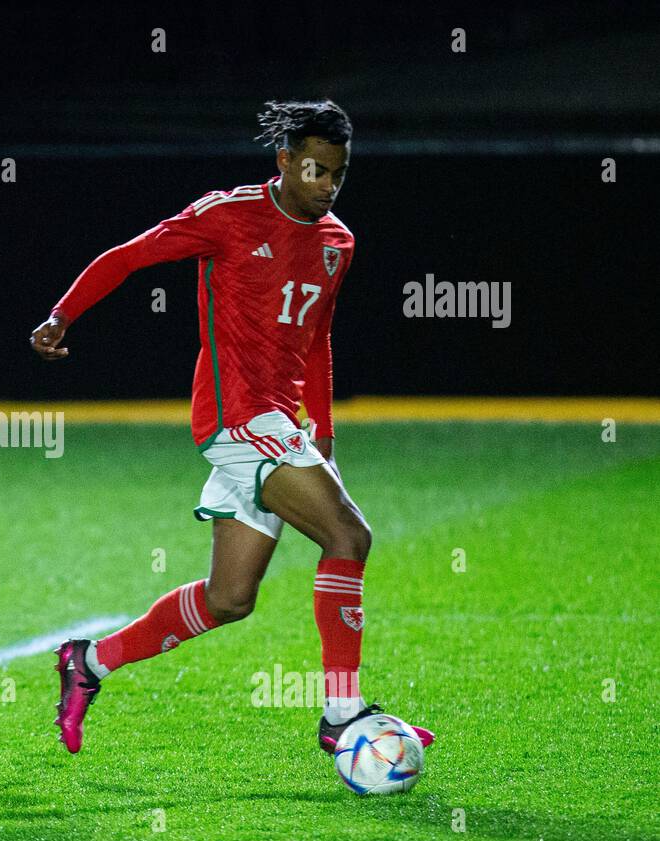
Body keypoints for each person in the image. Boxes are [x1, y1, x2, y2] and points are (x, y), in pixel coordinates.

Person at [30, 100, 433, 757]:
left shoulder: (339, 243)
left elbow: (318, 340)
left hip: (283, 427)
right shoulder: (229, 215)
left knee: (230, 598)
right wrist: (62, 315)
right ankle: (342, 714)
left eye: (338, 173)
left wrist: (323, 435)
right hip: (236, 420)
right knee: (348, 534)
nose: (327, 185)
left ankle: (89, 662)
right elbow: (131, 257)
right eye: (315, 170)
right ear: (283, 161)